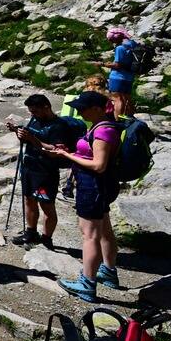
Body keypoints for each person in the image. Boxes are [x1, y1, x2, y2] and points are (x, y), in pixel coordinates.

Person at [43, 91, 122, 302]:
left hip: (93, 186)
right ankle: (108, 271)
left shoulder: (103, 131)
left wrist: (68, 156)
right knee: (104, 228)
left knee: (90, 235)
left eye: (82, 108)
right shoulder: (102, 126)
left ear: (96, 108)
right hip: (101, 185)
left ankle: (87, 284)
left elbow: (98, 164)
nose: (78, 111)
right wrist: (70, 152)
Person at [8, 94, 73, 250]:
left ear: (46, 107)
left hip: (46, 172)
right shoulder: (35, 120)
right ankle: (31, 232)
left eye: (35, 111)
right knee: (29, 200)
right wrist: (18, 132)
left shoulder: (58, 126)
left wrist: (31, 138)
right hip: (29, 168)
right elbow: (29, 139)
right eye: (30, 112)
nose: (32, 114)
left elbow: (55, 151)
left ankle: (46, 238)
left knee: (47, 205)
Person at [103, 27, 137, 117]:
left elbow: (117, 65)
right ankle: (131, 119)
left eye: (111, 40)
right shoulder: (133, 44)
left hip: (117, 77)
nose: (111, 42)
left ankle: (118, 121)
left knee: (117, 99)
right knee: (127, 99)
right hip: (129, 77)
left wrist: (104, 64)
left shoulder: (120, 48)